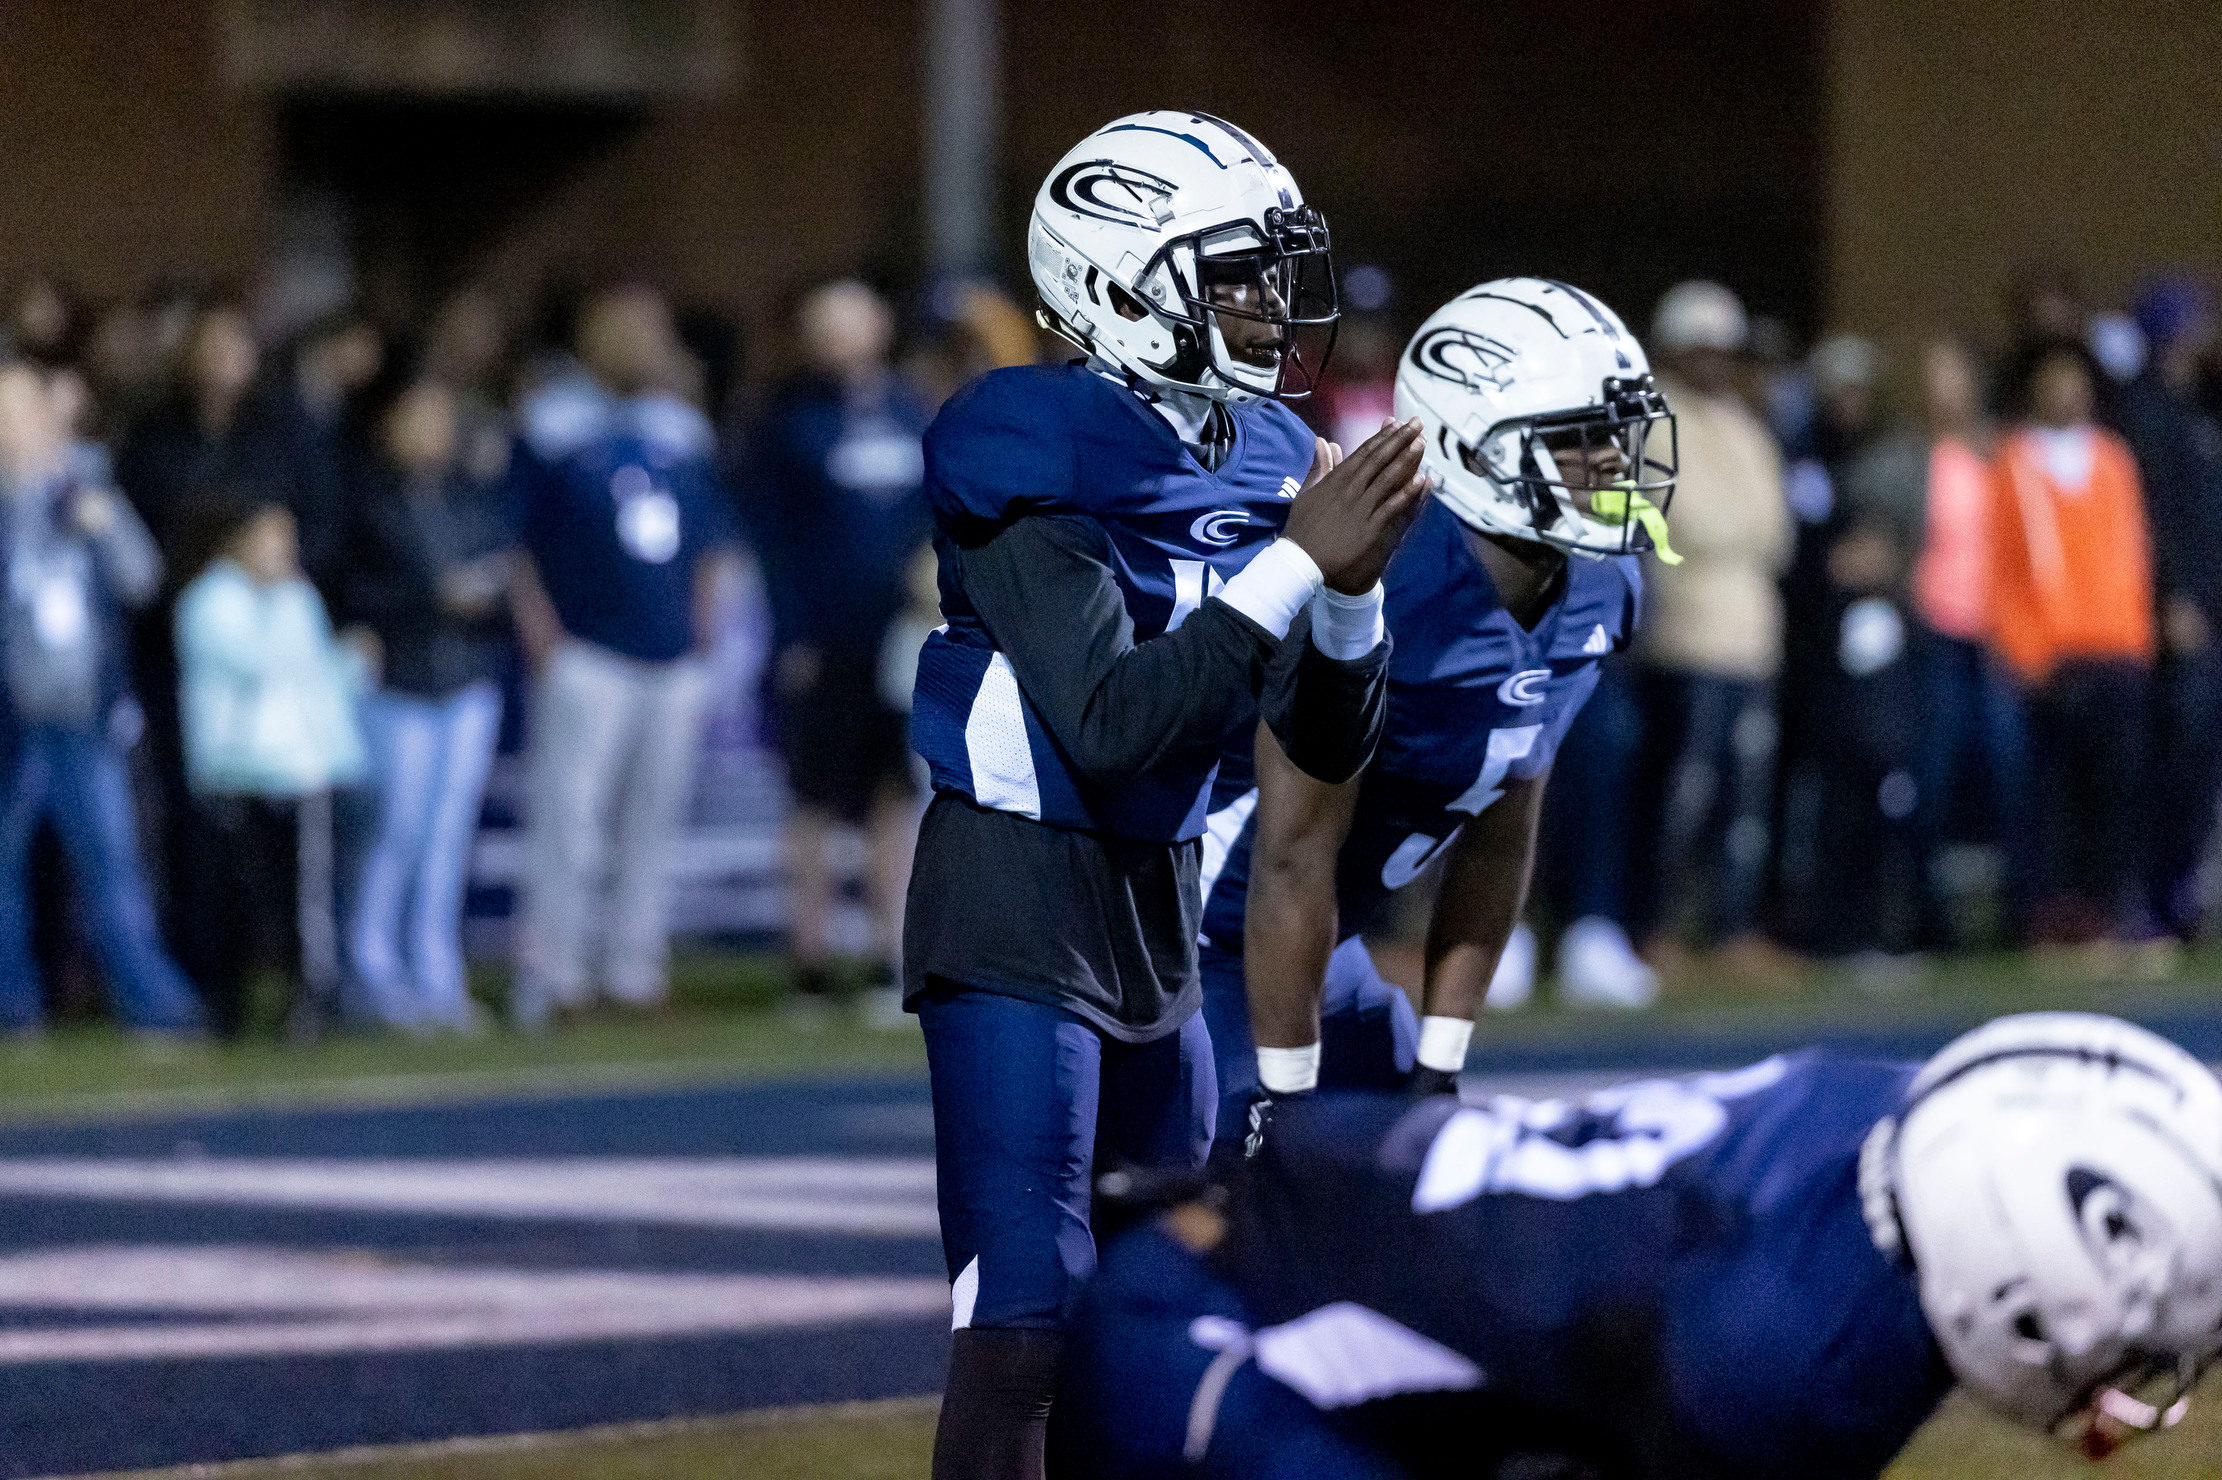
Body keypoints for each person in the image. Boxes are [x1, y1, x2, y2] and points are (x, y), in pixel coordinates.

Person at [906, 112, 1425, 1480]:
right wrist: (1292, 566)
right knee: (1025, 1314)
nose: (1266, 302)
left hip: (1160, 903)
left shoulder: (1266, 452)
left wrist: (1350, 595)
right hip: (1015, 898)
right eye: (1233, 271)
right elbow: (1111, 725)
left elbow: (1323, 741)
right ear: (1118, 286)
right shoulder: (1026, 437)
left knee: (1149, 1313)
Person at [1054, 1011, 2222, 1479]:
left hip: (1273, 1226)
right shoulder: (1784, 1359)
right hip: (1223, 1340)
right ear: (2018, 1273)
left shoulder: (1874, 1118)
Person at [1200, 278, 1670, 1130]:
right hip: (1201, 944)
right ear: (1473, 450)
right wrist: (1285, 1100)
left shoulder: (1602, 586)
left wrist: (1442, 1059)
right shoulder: (1380, 590)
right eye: (1579, 438)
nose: (1612, 462)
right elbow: (1289, 862)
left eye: (1615, 433)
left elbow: (1504, 819)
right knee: (1239, 1182)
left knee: (1418, 1152)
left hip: (1320, 945)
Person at [504, 281, 740, 1028]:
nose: (643, 344)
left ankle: (635, 974)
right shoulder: (551, 423)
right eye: (626, 329)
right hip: (586, 649)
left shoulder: (680, 429)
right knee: (569, 825)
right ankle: (554, 979)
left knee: (653, 826)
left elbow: (710, 537)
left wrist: (705, 626)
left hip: (670, 652)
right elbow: (514, 538)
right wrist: (540, 632)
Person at [744, 280, 934, 1008]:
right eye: (823, 329)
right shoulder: (787, 422)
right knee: (813, 800)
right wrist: (791, 635)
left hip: (899, 641)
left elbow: (935, 518)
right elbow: (771, 540)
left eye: (847, 326)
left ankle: (891, 956)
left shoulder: (911, 411)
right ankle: (811, 965)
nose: (835, 342)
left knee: (895, 797)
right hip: (823, 642)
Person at [0, 363, 203, 1039]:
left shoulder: (83, 487)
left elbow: (142, 577)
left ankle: (155, 1003)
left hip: (78, 712)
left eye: (18, 411)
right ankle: (13, 1005)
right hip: (9, 713)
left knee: (110, 861)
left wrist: (102, 523)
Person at [1626, 281, 1797, 987]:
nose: (1713, 361)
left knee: (1745, 801)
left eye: (1722, 349)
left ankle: (1733, 928)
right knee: (1681, 795)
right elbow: (1680, 517)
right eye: (1699, 347)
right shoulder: (1651, 419)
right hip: (1686, 638)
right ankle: (1657, 927)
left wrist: (1735, 532)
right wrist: (1734, 532)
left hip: (1750, 640)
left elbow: (1776, 528)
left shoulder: (1743, 426)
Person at [336, 369, 512, 1033]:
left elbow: (500, 574)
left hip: (465, 682)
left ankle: (437, 976)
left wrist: (482, 597)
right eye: (418, 417)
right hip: (400, 686)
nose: (433, 432)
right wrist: (428, 598)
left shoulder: (469, 497)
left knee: (446, 839)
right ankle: (371, 974)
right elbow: (351, 591)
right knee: (393, 831)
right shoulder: (365, 501)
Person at [1986, 342, 2156, 960]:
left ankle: (2114, 911)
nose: (2067, 391)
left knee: (2117, 789)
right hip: (2052, 655)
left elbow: (2133, 551)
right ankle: (2052, 917)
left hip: (2116, 649)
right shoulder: (2015, 460)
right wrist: (2027, 651)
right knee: (2050, 793)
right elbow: (2002, 565)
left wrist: (2137, 639)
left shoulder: (2112, 458)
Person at [173, 497, 368, 1036]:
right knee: (230, 898)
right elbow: (266, 664)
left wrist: (349, 666)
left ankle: (311, 1000)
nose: (283, 551)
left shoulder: (297, 600)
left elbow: (319, 678)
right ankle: (225, 1005)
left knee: (304, 898)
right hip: (234, 773)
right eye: (270, 537)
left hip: (300, 771)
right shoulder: (210, 602)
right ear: (237, 540)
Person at [1907, 340, 2036, 947]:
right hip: (1935, 632)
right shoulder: (1914, 458)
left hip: (1996, 634)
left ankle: (2021, 913)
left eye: (1953, 375)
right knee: (1929, 776)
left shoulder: (2001, 454)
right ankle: (1929, 917)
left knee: (2011, 770)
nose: (1944, 389)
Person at [2116, 279, 2222, 940]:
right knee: (2174, 753)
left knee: (2201, 757)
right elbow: (2148, 519)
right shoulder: (2144, 411)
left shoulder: (2197, 406)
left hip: (2210, 606)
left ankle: (2183, 895)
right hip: (2176, 616)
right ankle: (2156, 898)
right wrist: (2171, 596)